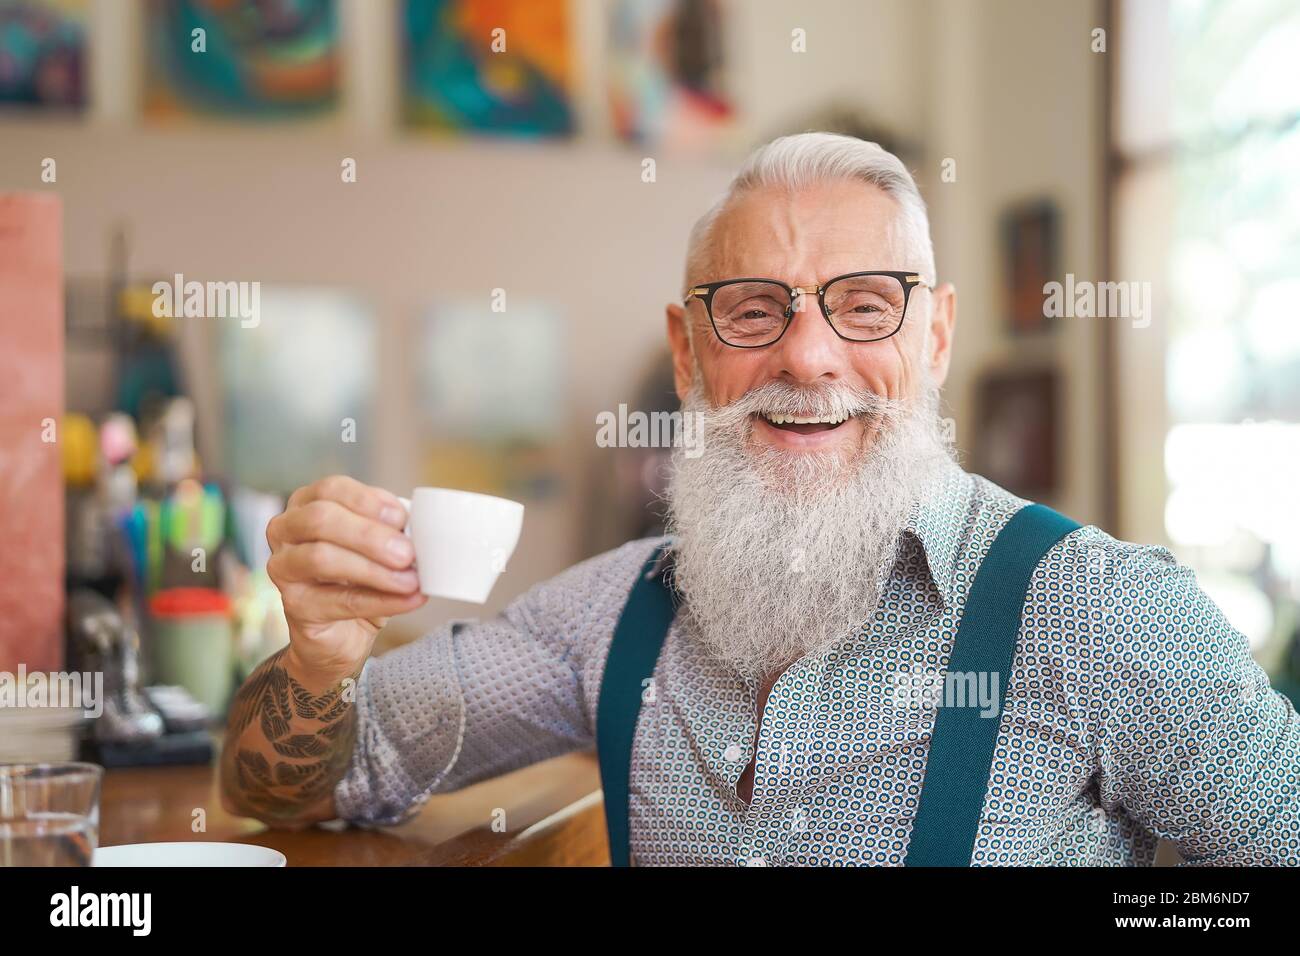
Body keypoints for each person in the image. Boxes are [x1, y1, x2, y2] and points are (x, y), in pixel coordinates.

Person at [221, 133, 1300, 865]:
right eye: (752, 310)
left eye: (863, 306)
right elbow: (291, 788)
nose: (809, 355)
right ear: (687, 353)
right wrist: (316, 657)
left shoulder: (1099, 612)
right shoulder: (605, 617)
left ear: (932, 337)